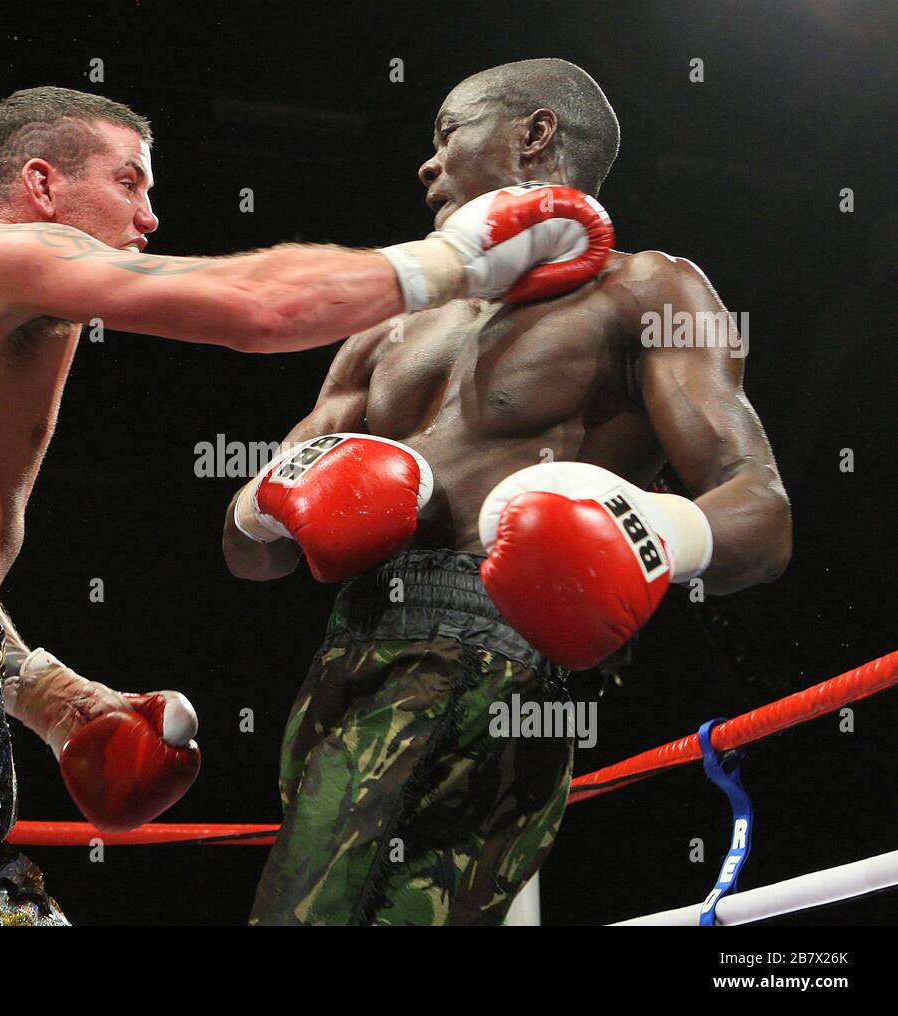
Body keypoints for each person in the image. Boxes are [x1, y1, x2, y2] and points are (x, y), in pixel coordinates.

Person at [0, 85, 605, 926]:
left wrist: (52, 699)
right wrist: (454, 260)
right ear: (41, 183)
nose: (150, 216)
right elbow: (256, 307)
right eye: (129, 182)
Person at [223, 59, 792, 926]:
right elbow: (250, 553)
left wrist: (651, 533)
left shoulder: (646, 290)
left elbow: (760, 507)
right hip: (348, 656)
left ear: (535, 134)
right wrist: (263, 503)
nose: (426, 164)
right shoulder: (386, 329)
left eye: (447, 134)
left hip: (505, 657)